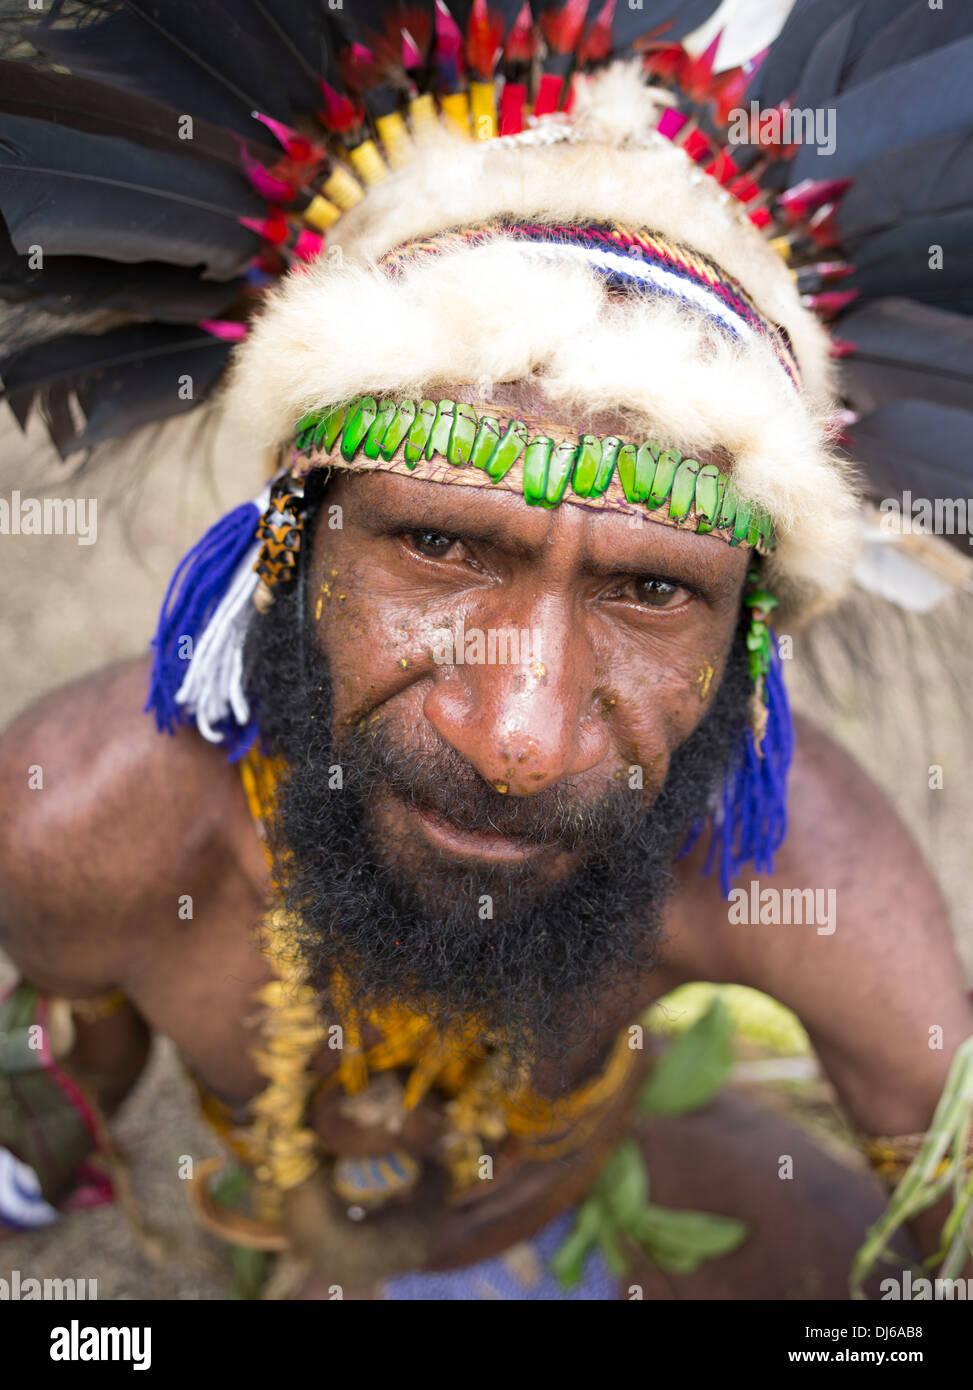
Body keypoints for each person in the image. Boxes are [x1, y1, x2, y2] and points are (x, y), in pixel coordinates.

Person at [1, 0, 971, 1299]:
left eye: (645, 587)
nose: (519, 736)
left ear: (748, 641)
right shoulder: (78, 821)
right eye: (441, 548)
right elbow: (74, 1002)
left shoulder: (801, 882)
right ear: (286, 543)